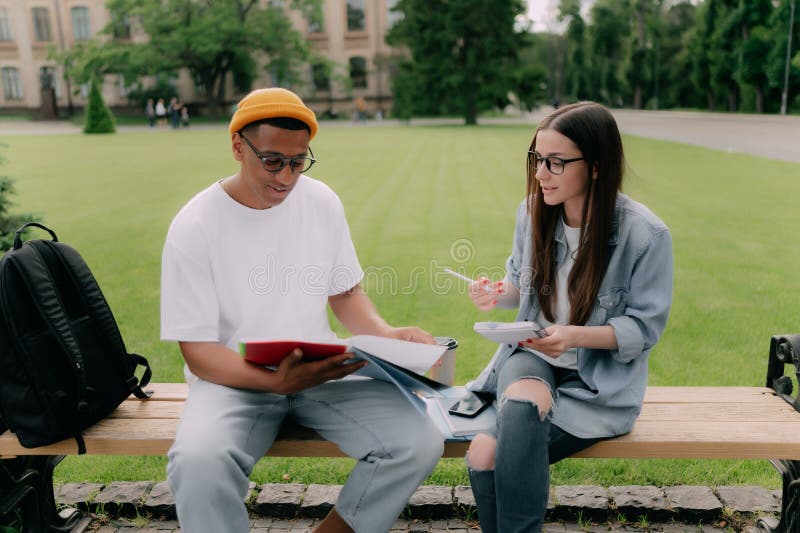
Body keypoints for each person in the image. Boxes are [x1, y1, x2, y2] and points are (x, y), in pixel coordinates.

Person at [160, 87, 444, 533]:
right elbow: (197, 352)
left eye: (298, 161)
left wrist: (389, 335)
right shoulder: (194, 225)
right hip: (233, 379)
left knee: (417, 440)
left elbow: (345, 295)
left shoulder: (321, 202)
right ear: (237, 146)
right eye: (273, 160)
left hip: (318, 371)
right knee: (198, 461)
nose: (287, 177)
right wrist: (273, 381)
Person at [463, 101, 673, 533]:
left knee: (485, 452)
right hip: (533, 354)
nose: (540, 174)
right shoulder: (533, 212)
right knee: (520, 406)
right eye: (538, 159)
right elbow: (523, 289)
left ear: (595, 167)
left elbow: (644, 328)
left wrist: (575, 336)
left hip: (599, 382)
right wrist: (496, 293)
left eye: (555, 163)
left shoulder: (645, 235)